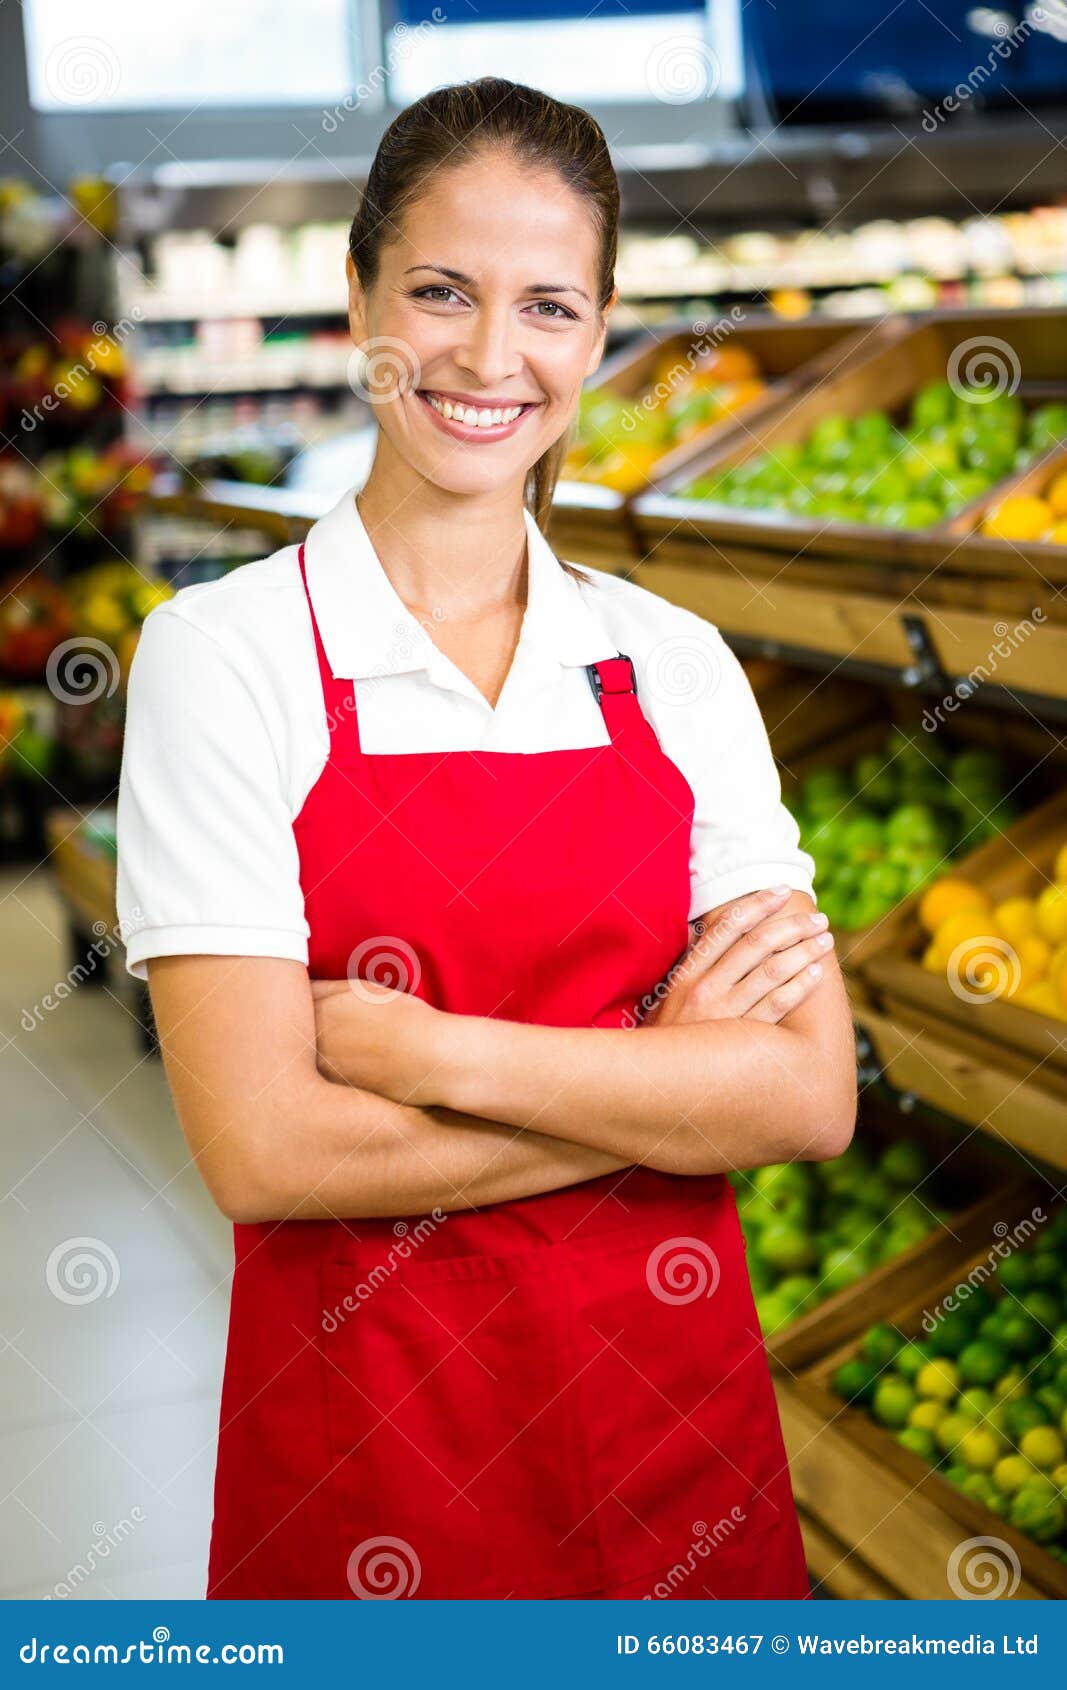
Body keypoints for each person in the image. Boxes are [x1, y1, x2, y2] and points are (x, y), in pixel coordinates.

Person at [116, 76, 856, 1602]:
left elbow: (803, 1093)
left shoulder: (676, 662)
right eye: (442, 291)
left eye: (548, 306)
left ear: (596, 337)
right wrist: (660, 1073)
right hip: (374, 1464)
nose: (488, 356)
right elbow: (264, 1148)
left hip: (678, 1455)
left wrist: (432, 1053)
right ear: (359, 297)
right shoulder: (227, 654)